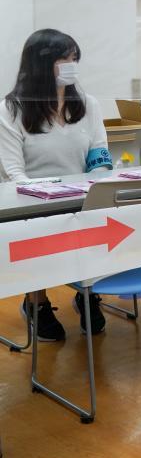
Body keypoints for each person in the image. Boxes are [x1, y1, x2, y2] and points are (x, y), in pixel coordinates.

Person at [0, 29, 113, 341]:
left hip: (80, 197)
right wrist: (47, 197)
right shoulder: (11, 109)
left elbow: (99, 155)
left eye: (74, 58)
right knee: (37, 227)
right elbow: (13, 172)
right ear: (40, 64)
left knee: (101, 218)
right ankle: (36, 302)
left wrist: (95, 187)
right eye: (64, 59)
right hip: (31, 202)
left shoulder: (88, 105)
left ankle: (88, 292)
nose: (72, 65)